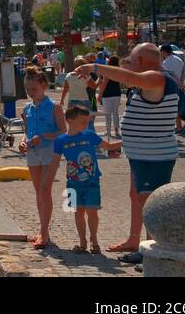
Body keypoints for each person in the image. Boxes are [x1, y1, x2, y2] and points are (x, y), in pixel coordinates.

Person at [74, 43, 178, 262]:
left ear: (140, 60)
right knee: (136, 196)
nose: (129, 66)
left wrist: (95, 66)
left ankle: (151, 252)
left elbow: (129, 78)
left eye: (130, 61)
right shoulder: (150, 79)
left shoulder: (157, 77)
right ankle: (134, 240)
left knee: (150, 200)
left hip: (155, 155)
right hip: (141, 153)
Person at [51, 105, 123, 253]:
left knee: (92, 210)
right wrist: (48, 179)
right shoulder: (61, 140)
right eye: (83, 122)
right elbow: (55, 162)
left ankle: (94, 240)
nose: (86, 125)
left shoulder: (90, 135)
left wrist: (127, 141)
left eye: (87, 122)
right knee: (78, 211)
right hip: (73, 181)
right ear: (70, 120)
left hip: (92, 179)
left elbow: (108, 146)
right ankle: (82, 241)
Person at [17, 66, 66, 250]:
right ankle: (43, 230)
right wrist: (22, 142)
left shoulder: (54, 107)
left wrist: (44, 137)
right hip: (32, 151)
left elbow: (63, 131)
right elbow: (26, 132)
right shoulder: (27, 108)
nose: (30, 93)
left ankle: (43, 232)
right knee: (38, 191)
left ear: (44, 86)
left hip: (50, 151)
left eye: (34, 89)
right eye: (28, 89)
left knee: (45, 189)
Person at [100, 55, 123, 138]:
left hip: (107, 94)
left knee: (107, 114)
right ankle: (117, 130)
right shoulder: (119, 70)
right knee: (115, 113)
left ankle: (108, 131)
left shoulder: (107, 70)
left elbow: (105, 83)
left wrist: (100, 94)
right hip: (117, 93)